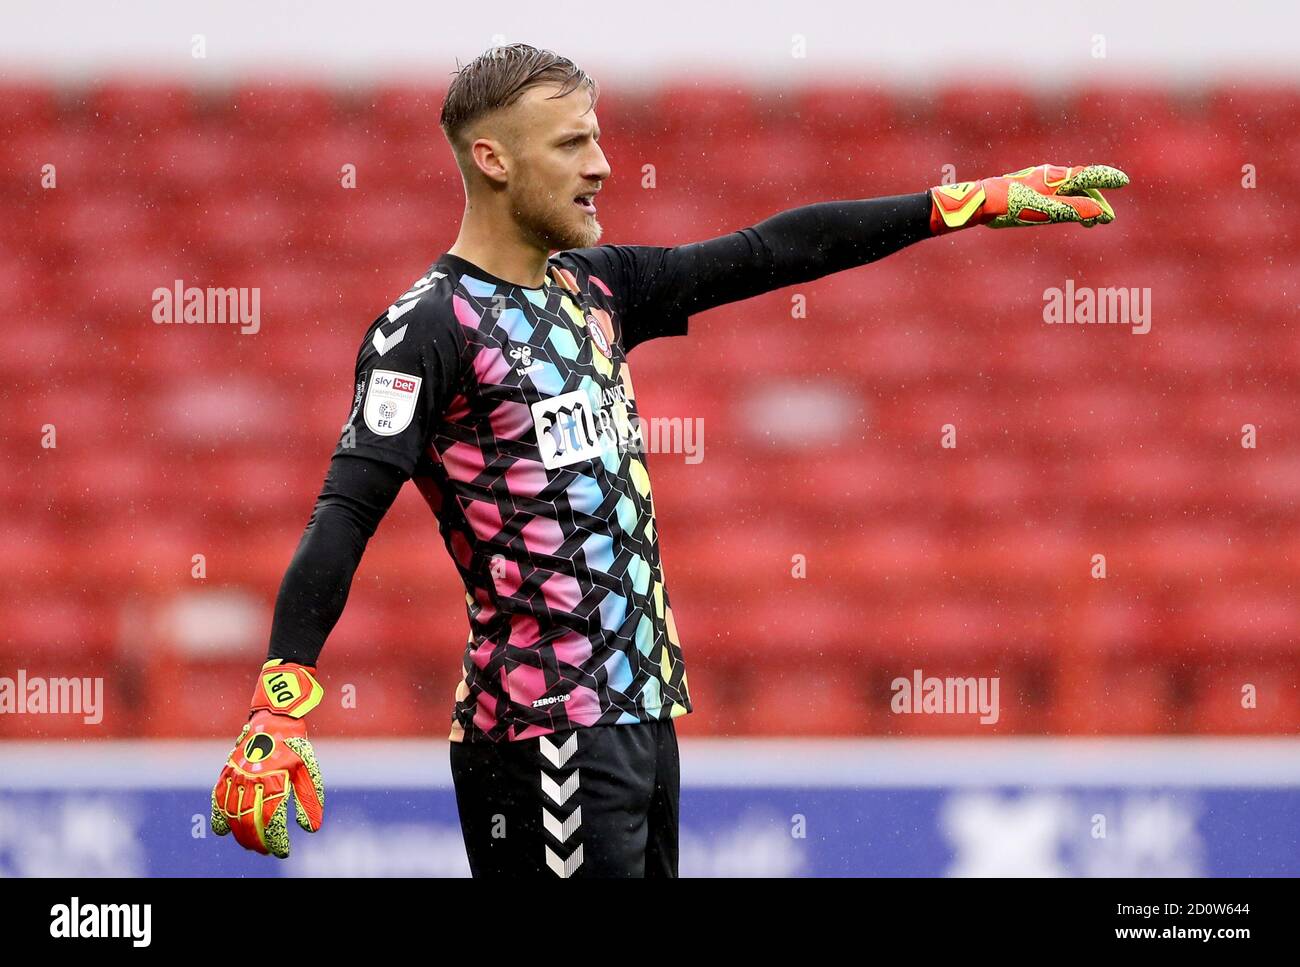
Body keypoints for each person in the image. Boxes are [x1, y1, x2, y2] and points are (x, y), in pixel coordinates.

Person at [211, 43, 1127, 877]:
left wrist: (965, 203)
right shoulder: (427, 328)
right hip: (541, 733)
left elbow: (775, 250)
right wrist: (280, 700)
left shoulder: (596, 289)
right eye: (572, 143)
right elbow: (345, 510)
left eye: (596, 138)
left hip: (642, 721)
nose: (601, 164)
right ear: (493, 160)